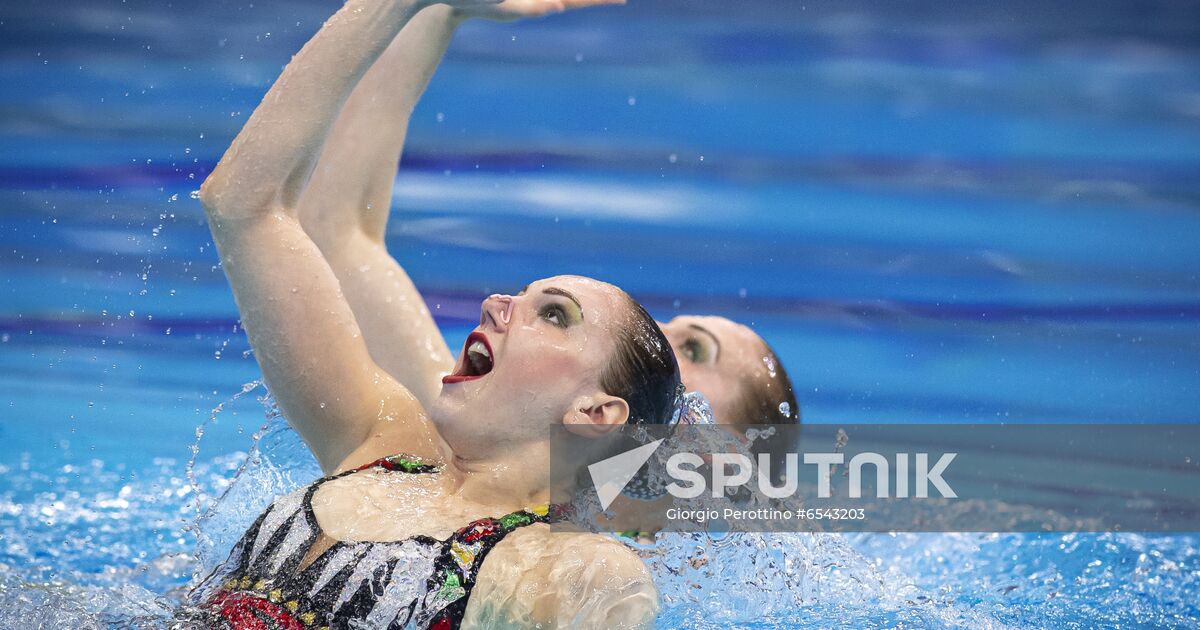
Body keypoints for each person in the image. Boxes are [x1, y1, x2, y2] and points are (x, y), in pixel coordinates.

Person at [190, 0, 684, 626]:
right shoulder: (382, 437)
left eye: (554, 314)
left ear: (595, 415)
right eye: (522, 295)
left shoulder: (575, 570)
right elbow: (240, 204)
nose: (496, 303)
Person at [288, 0, 800, 435]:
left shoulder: (637, 553)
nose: (653, 337)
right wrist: (438, 10)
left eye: (693, 349)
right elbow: (335, 231)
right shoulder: (466, 445)